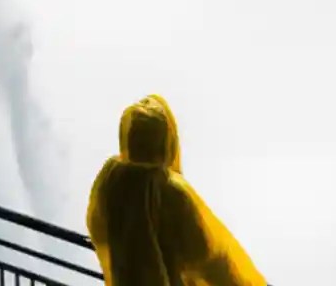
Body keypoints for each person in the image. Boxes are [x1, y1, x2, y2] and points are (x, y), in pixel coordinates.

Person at [86, 94, 267, 286]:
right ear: (167, 140)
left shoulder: (110, 179)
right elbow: (211, 255)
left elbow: (96, 226)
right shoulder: (172, 192)